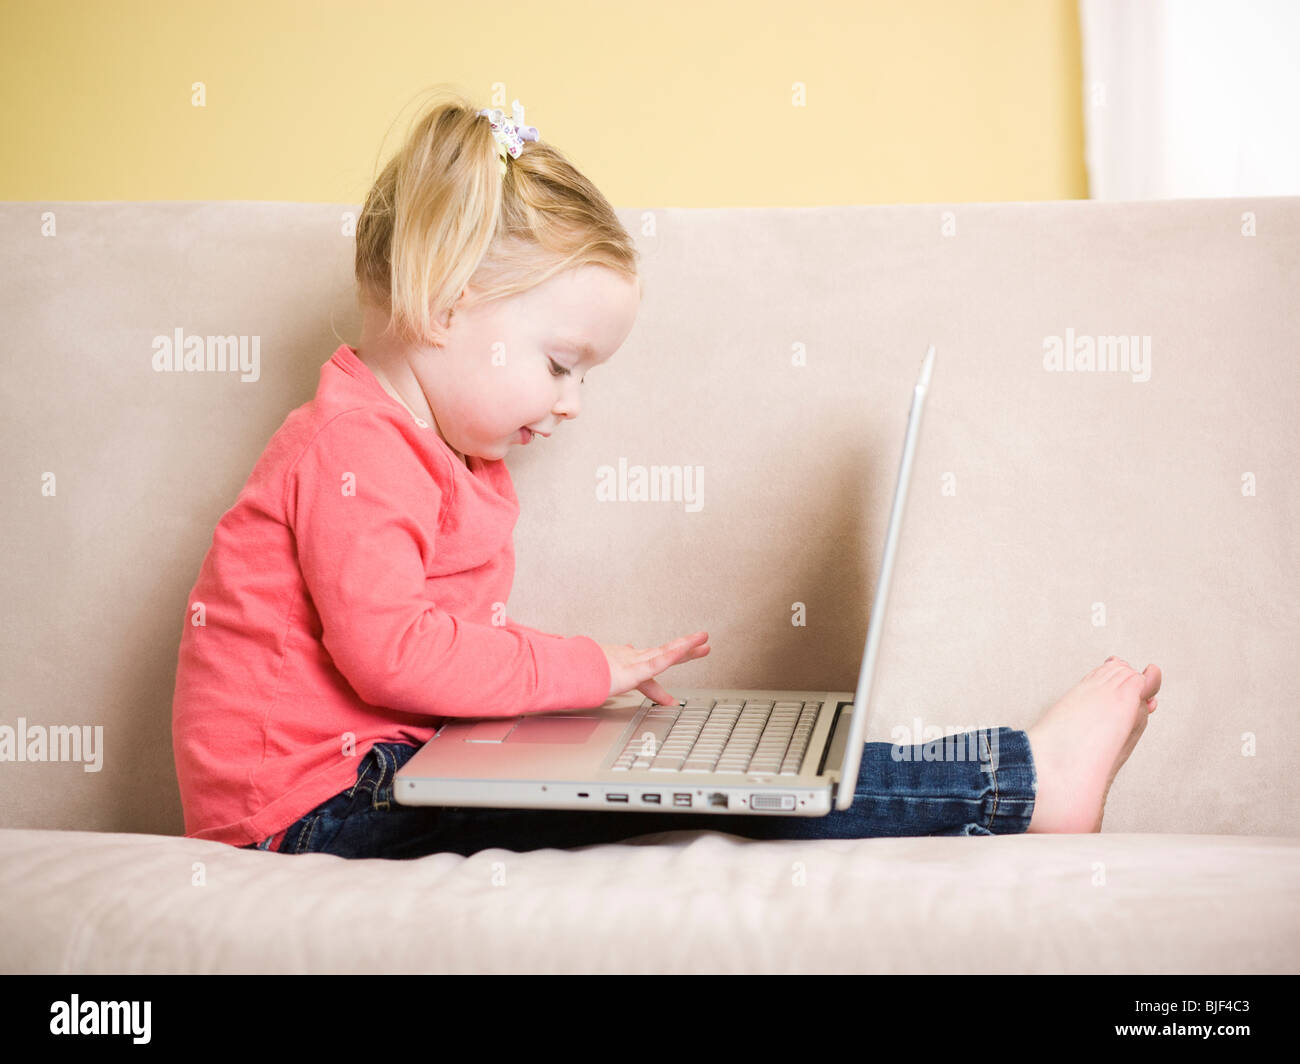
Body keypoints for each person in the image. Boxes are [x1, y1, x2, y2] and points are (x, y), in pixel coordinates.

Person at [171, 90, 1162, 860]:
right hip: (306, 818)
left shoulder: (431, 449)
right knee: (685, 800)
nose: (570, 404)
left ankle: (1008, 777)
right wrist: (581, 669)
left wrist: (575, 699)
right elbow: (396, 656)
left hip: (380, 780)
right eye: (560, 363)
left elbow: (432, 655)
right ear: (441, 301)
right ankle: (1020, 782)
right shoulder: (353, 451)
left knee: (687, 775)